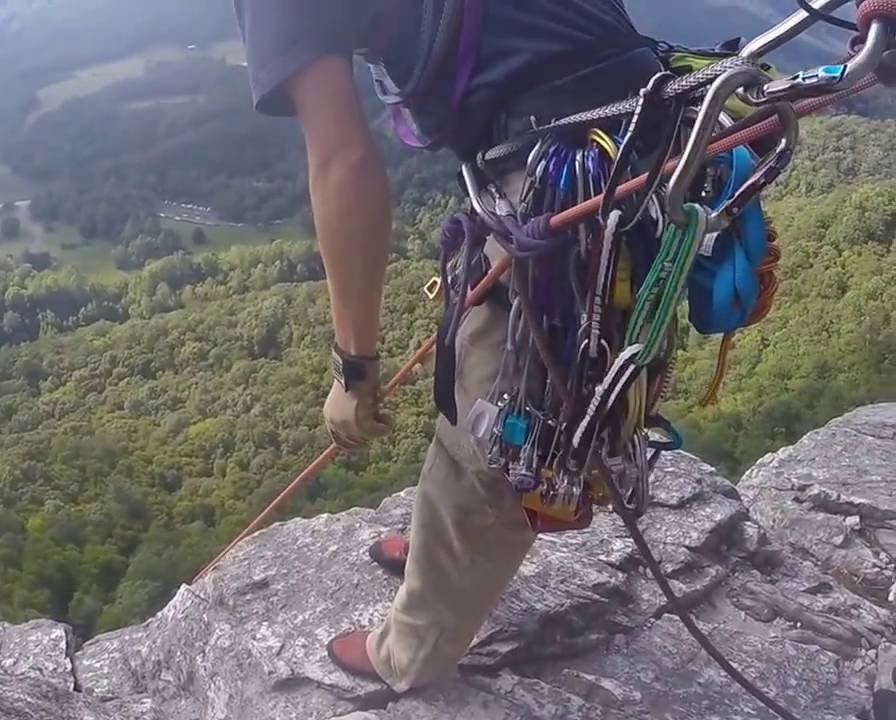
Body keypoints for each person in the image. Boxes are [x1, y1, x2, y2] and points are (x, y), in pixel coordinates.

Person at [233, 0, 656, 694]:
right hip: (627, 125)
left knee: (502, 421)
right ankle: (443, 544)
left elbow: (343, 165)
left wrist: (354, 366)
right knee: (480, 362)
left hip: (568, 162)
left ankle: (411, 653)